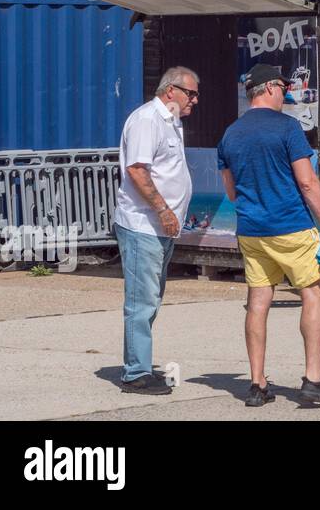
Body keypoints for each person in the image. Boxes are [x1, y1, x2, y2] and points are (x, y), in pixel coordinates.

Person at [218, 63, 320, 408]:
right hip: (291, 226)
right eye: (284, 88)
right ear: (271, 88)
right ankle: (314, 379)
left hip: (251, 230)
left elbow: (231, 192)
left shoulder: (230, 133)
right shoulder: (288, 128)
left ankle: (257, 384)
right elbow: (307, 182)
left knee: (258, 302)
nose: (286, 95)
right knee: (314, 294)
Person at [114, 67, 198, 395]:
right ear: (170, 91)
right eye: (190, 93)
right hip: (143, 226)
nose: (195, 99)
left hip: (160, 228)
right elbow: (137, 169)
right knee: (142, 301)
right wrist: (163, 209)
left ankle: (140, 363)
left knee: (151, 299)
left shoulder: (170, 121)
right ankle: (136, 374)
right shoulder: (147, 120)